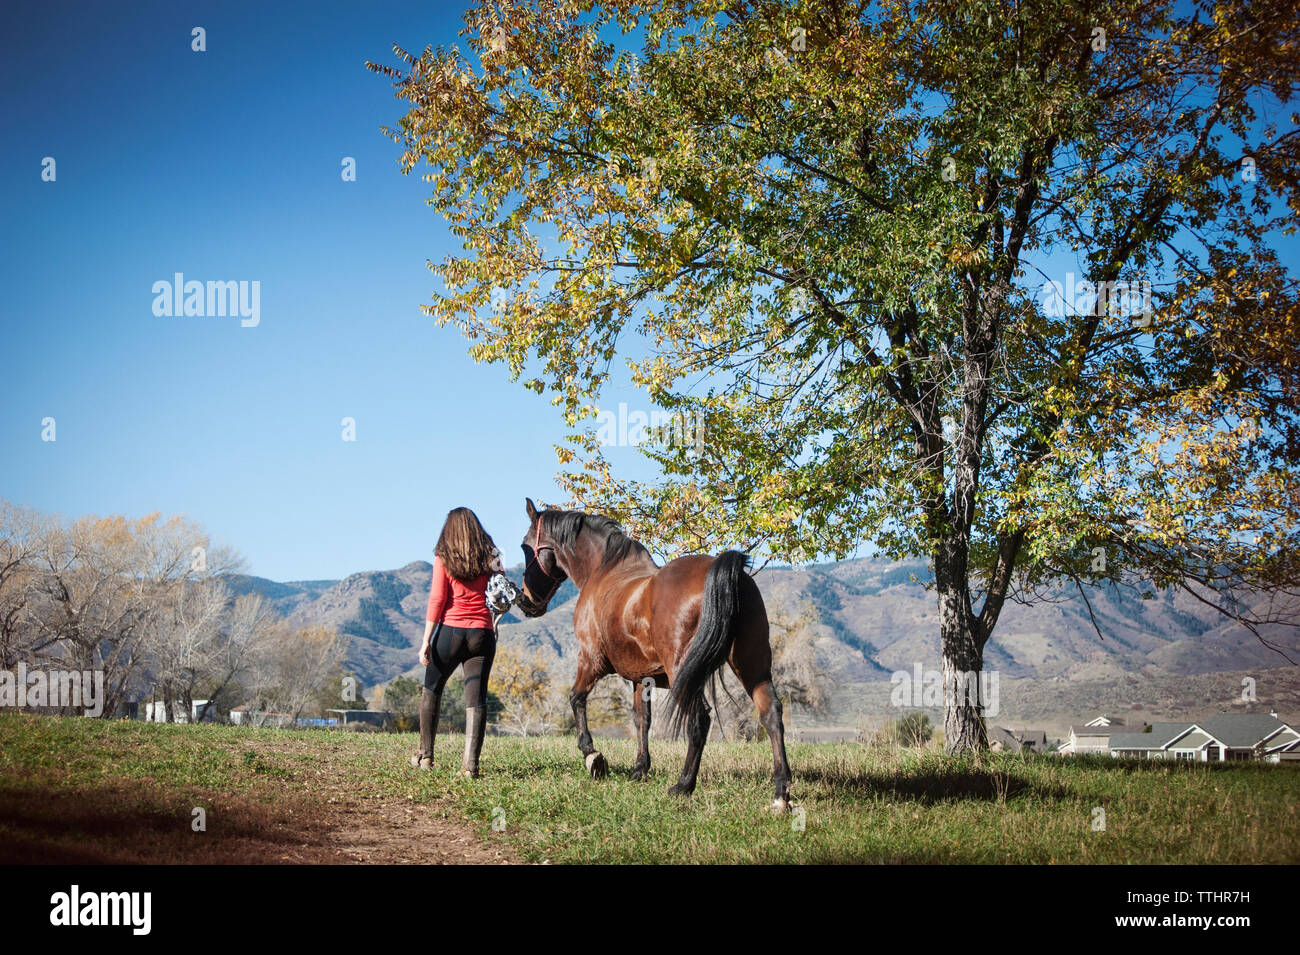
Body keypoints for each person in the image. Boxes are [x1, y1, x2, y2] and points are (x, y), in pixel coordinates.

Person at [411, 507, 504, 777]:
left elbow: (437, 600)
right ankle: (470, 766)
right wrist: (493, 624)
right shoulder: (492, 555)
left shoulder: (443, 557)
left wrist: (426, 640)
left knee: (432, 689)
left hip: (450, 632)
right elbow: (501, 593)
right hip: (482, 635)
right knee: (476, 700)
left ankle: (426, 755)